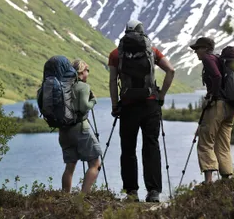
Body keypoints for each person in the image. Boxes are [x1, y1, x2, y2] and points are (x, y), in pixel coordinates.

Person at [108, 19, 175, 202]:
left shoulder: (116, 54)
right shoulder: (151, 51)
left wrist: (115, 105)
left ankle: (131, 192)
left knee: (128, 149)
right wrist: (161, 95)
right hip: (150, 104)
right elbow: (171, 70)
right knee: (151, 146)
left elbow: (113, 82)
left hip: (128, 107)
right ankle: (153, 192)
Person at [189, 37, 234, 184]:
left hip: (218, 105)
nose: (195, 51)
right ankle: (226, 180)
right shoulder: (219, 59)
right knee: (223, 144)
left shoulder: (208, 59)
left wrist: (211, 95)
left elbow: (216, 76)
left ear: (204, 48)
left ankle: (208, 181)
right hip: (231, 107)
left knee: (205, 142)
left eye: (197, 48)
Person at [58, 59, 102, 193]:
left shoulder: (62, 87)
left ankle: (65, 197)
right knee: (95, 163)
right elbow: (84, 107)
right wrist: (93, 101)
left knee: (69, 167)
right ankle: (83, 197)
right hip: (80, 129)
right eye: (87, 70)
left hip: (64, 131)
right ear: (82, 71)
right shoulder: (83, 87)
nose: (88, 73)